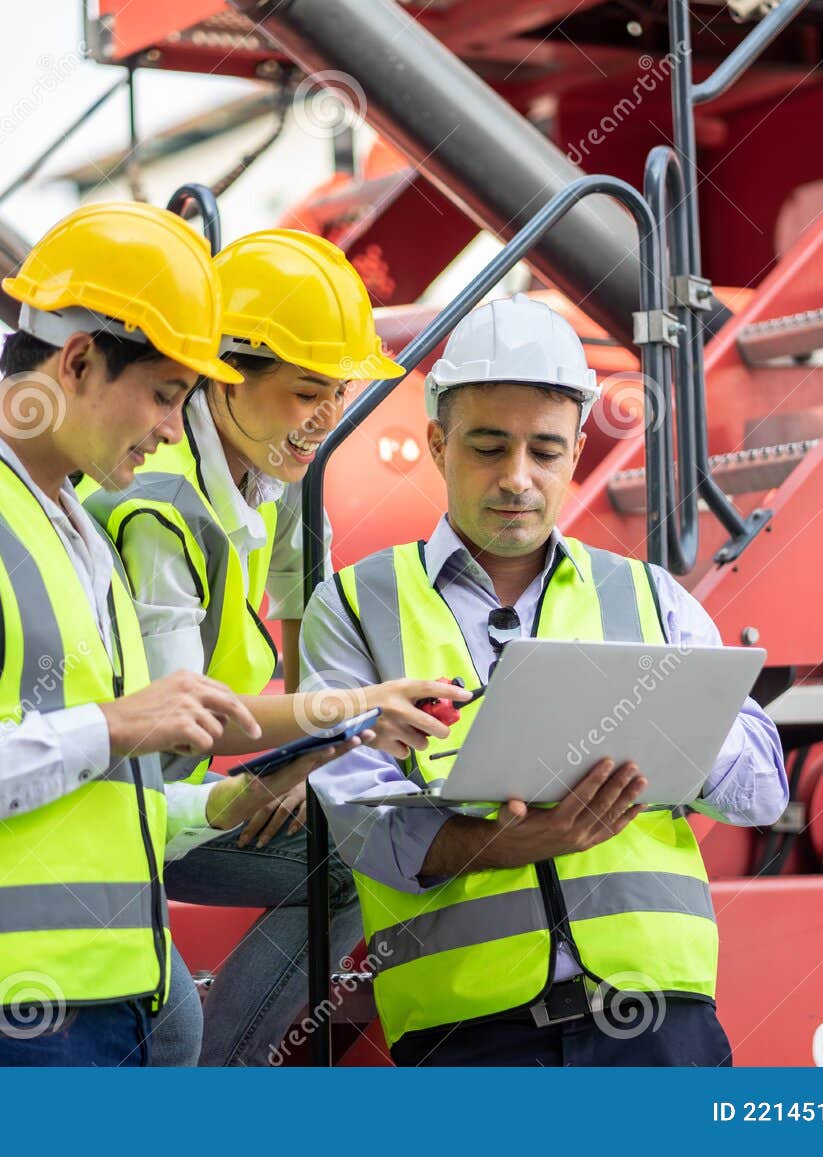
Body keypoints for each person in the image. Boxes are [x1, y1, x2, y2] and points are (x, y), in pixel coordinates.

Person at [0, 203, 362, 1067]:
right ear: (76, 359)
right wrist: (114, 725)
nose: (168, 427)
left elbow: (110, 799)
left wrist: (231, 797)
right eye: (164, 394)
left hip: (104, 1002)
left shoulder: (75, 539)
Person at [302, 294, 789, 1067]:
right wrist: (518, 838)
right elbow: (362, 825)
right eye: (488, 447)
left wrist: (668, 717)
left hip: (659, 1026)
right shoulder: (356, 607)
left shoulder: (649, 598)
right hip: (471, 1038)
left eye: (545, 450)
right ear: (437, 440)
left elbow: (763, 787)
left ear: (579, 447)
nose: (517, 479)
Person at [83, 228, 465, 1066]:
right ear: (224, 377)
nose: (327, 420)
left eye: (338, 393)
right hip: (121, 801)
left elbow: (304, 615)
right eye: (305, 394)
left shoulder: (279, 467)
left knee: (365, 839)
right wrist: (339, 725)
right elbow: (189, 724)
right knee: (182, 1023)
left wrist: (311, 756)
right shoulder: (160, 508)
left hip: (174, 788)